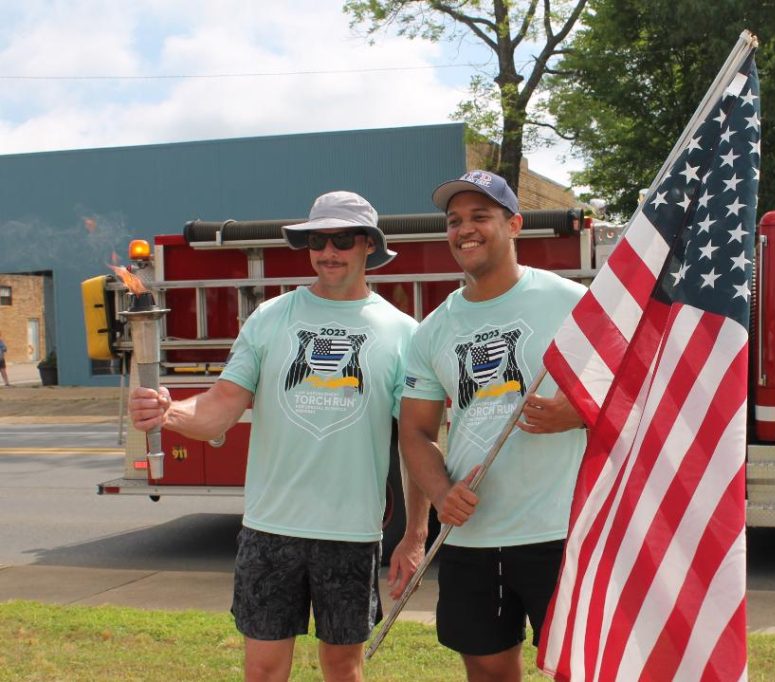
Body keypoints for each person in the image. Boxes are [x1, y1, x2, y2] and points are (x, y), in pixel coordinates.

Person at [128, 191, 428, 682]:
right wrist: (170, 412)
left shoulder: (402, 332)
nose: (328, 251)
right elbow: (222, 405)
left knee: (343, 669)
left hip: (350, 533)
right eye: (317, 239)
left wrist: (414, 535)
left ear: (368, 245)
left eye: (342, 239)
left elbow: (416, 439)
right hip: (271, 530)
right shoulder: (271, 317)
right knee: (263, 671)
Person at [400, 170, 587, 681]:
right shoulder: (432, 330)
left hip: (562, 531)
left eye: (480, 216)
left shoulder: (571, 303)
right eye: (454, 220)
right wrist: (440, 494)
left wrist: (577, 414)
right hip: (472, 539)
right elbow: (414, 432)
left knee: (580, 669)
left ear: (515, 224)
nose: (465, 229)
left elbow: (636, 390)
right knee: (487, 672)